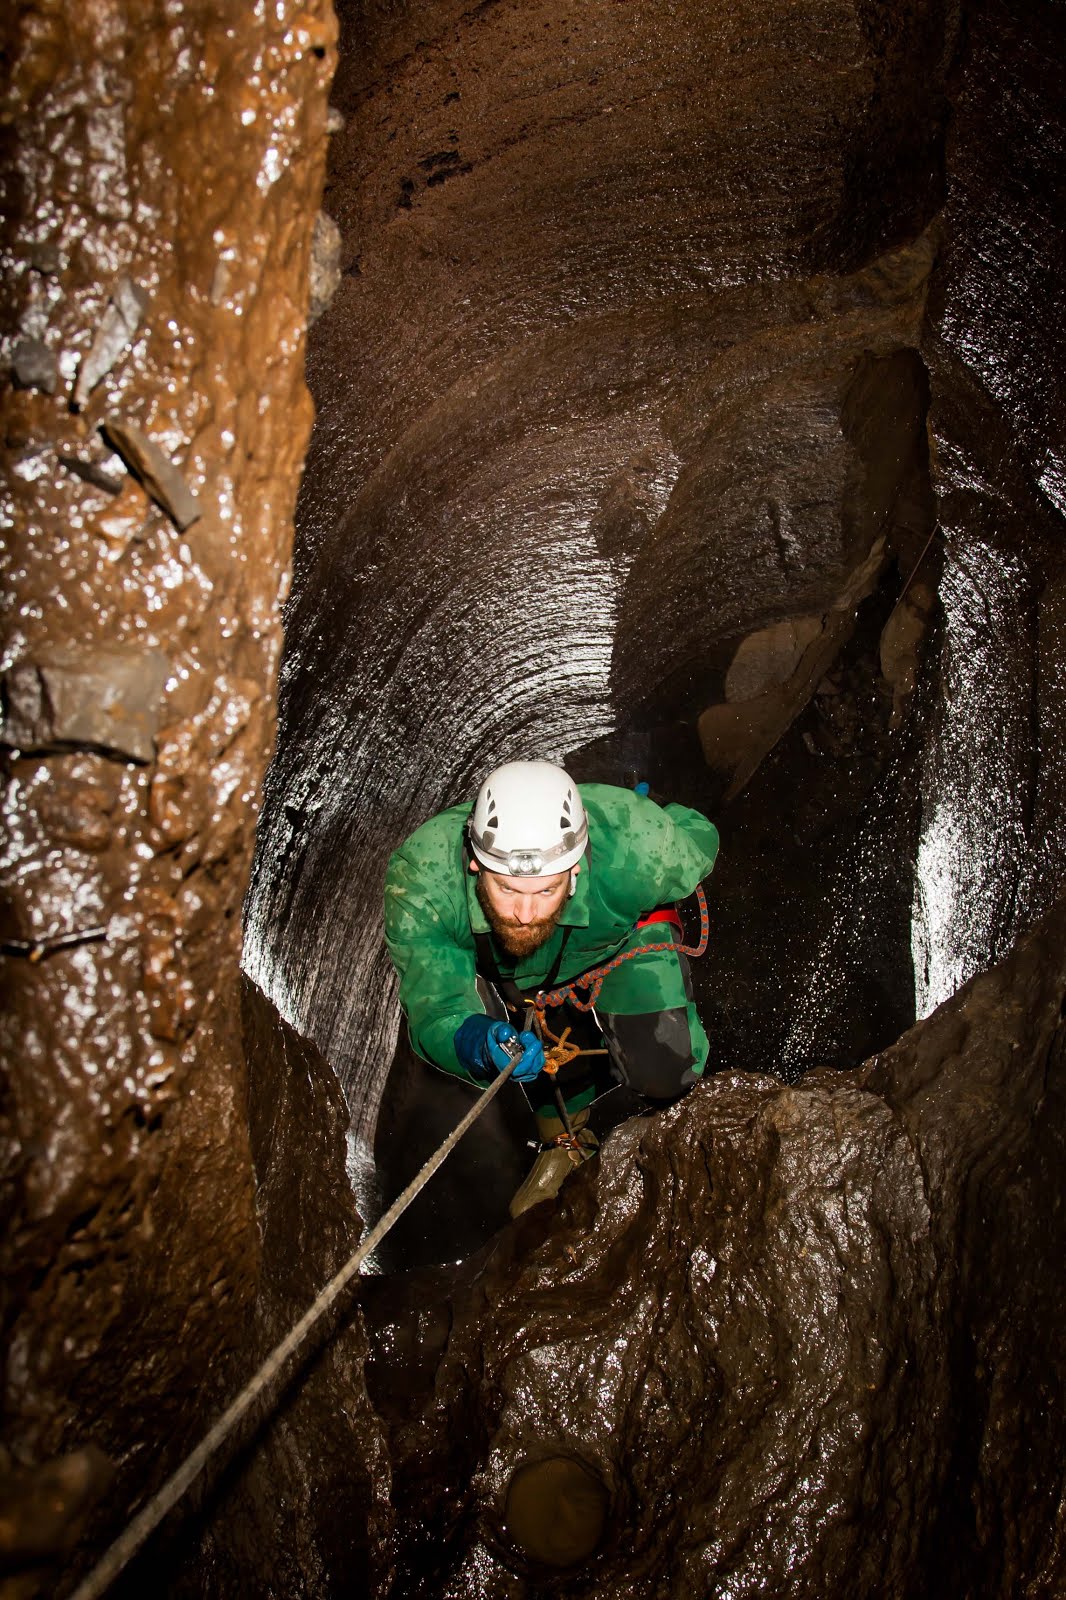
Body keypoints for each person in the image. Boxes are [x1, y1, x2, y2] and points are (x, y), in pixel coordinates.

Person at [383, 759, 719, 1216]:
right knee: (539, 1061)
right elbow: (437, 1010)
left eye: (545, 891)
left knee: (664, 1067)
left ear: (576, 869)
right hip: (525, 977)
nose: (524, 913)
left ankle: (664, 1104)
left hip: (622, 939)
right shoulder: (425, 885)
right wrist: (475, 1042)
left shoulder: (636, 850)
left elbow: (701, 837)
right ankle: (565, 1140)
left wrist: (655, 813)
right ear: (475, 864)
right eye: (505, 888)